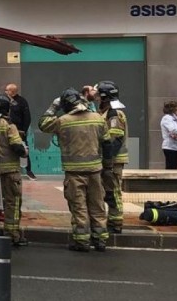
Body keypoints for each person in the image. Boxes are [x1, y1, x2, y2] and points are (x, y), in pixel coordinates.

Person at [39, 88, 110, 252]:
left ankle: (82, 241)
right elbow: (107, 143)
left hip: (74, 173)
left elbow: (43, 124)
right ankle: (100, 240)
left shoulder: (62, 121)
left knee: (79, 207)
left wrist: (53, 106)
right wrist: (107, 167)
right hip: (95, 172)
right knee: (98, 206)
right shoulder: (98, 118)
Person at [0, 93, 28, 246]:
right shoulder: (9, 126)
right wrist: (25, 150)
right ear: (6, 109)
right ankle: (12, 234)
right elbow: (17, 147)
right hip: (10, 173)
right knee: (12, 202)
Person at [97, 81, 128, 234]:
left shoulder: (114, 114)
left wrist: (108, 161)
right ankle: (112, 220)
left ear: (105, 97)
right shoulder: (106, 112)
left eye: (99, 95)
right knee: (108, 191)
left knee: (114, 191)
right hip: (108, 160)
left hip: (114, 161)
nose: (97, 98)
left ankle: (116, 222)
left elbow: (115, 140)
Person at [5, 83, 36, 180]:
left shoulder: (22, 101)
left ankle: (28, 171)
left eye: (7, 90)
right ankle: (10, 170)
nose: (5, 92)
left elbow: (27, 117)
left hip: (19, 130)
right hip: (8, 130)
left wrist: (24, 130)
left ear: (12, 91)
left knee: (23, 150)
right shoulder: (5, 101)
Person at [160, 100, 177, 169]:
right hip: (169, 147)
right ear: (173, 109)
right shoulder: (166, 118)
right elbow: (173, 129)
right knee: (171, 167)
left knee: (175, 167)